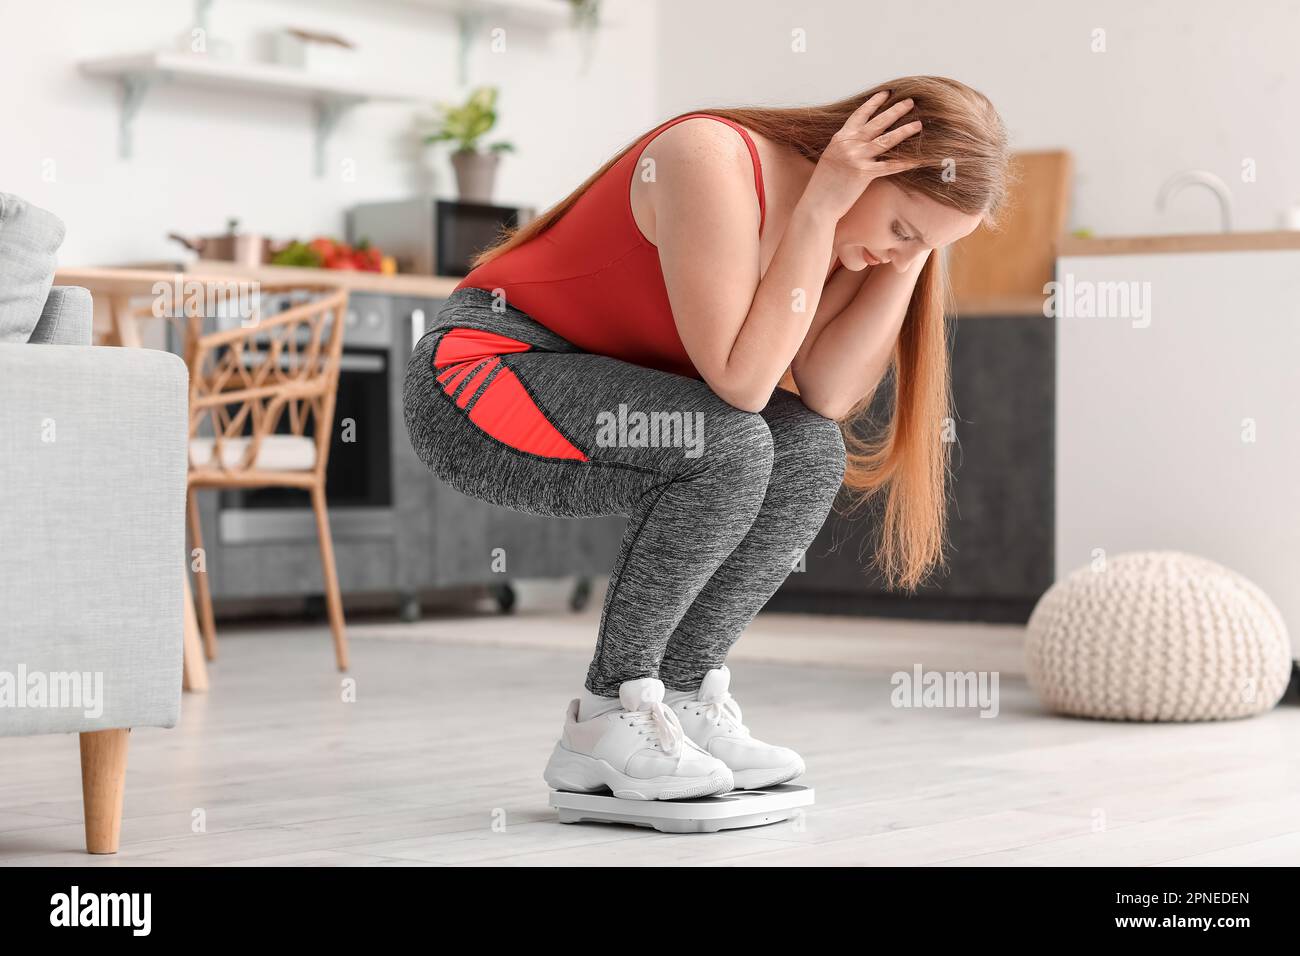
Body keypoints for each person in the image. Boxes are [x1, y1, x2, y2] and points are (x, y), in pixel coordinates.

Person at [403, 76, 1010, 800]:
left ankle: (684, 699)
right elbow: (743, 383)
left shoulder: (862, 243)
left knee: (809, 448)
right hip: (479, 379)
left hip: (601, 400)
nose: (893, 252)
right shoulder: (709, 157)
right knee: (726, 440)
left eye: (922, 247)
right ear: (866, 159)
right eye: (902, 230)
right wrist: (822, 208)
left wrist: (908, 257)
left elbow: (828, 394)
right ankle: (607, 712)